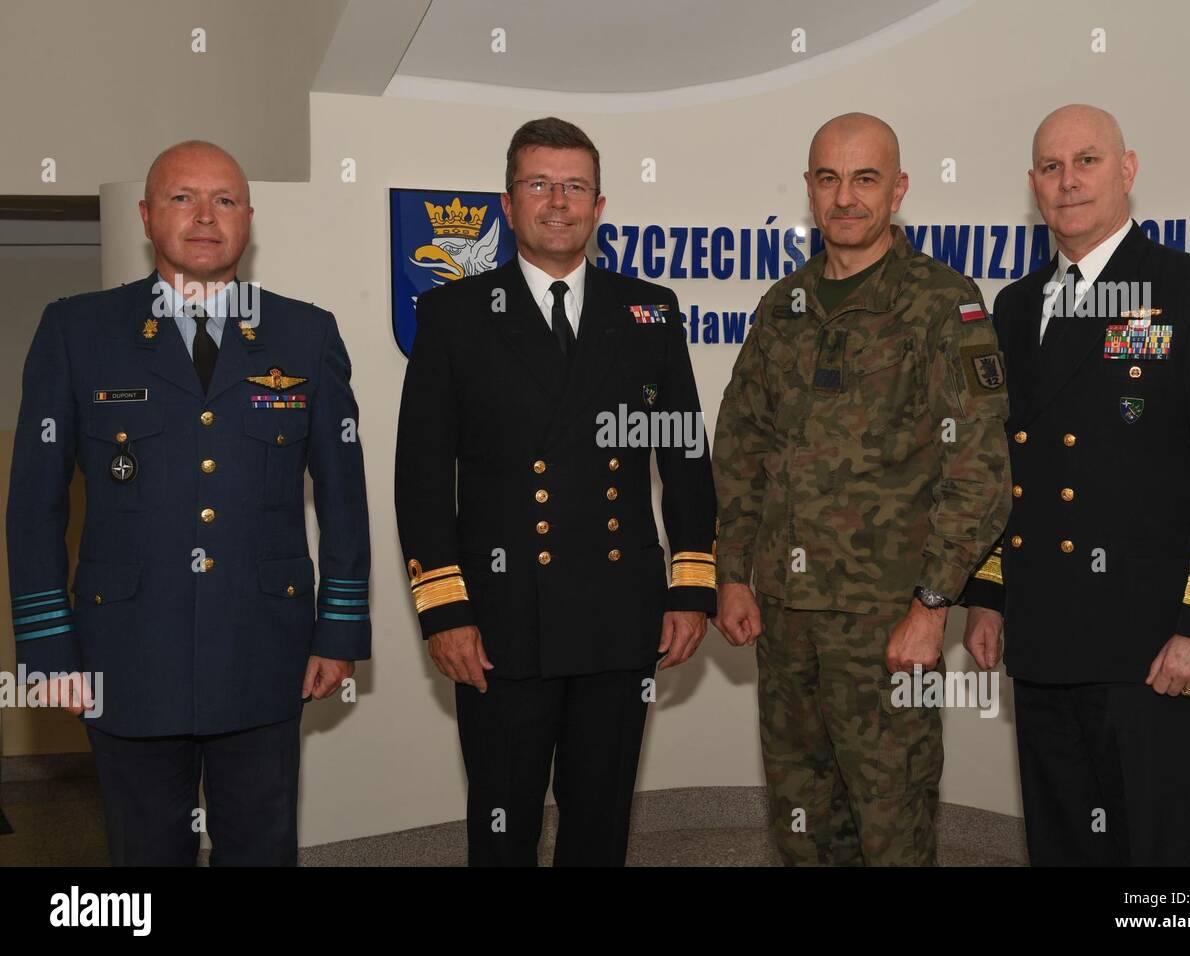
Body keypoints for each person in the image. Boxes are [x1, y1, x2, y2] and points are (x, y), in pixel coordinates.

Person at [6, 140, 371, 866]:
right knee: (143, 853)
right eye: (182, 198)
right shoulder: (78, 331)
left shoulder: (304, 333)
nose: (205, 216)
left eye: (225, 200)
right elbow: (32, 507)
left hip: (263, 647)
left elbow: (342, 490)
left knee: (261, 848)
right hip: (125, 650)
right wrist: (49, 649)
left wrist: (339, 627)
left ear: (248, 220)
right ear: (146, 216)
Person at [960, 104, 1190, 865]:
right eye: (1050, 167)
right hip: (1042, 643)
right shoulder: (1015, 306)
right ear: (1032, 184)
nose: (1067, 182)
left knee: (1158, 862)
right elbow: (1009, 471)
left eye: (1087, 161)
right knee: (1064, 846)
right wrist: (990, 595)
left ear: (1128, 170)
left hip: (1154, 648)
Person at [394, 117, 717, 866]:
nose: (558, 202)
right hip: (502, 625)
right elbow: (420, 476)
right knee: (503, 826)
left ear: (599, 205)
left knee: (600, 826)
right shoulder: (454, 316)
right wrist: (445, 611)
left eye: (575, 187)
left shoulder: (648, 309)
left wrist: (691, 585)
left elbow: (683, 459)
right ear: (508, 206)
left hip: (619, 617)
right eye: (539, 184)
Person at [712, 113, 1012, 865]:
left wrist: (932, 605)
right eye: (828, 178)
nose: (845, 197)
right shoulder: (783, 306)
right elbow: (742, 446)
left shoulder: (945, 303)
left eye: (865, 178)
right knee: (801, 816)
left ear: (899, 189)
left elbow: (979, 470)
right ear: (810, 188)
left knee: (891, 821)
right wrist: (731, 573)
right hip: (784, 617)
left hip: (887, 624)